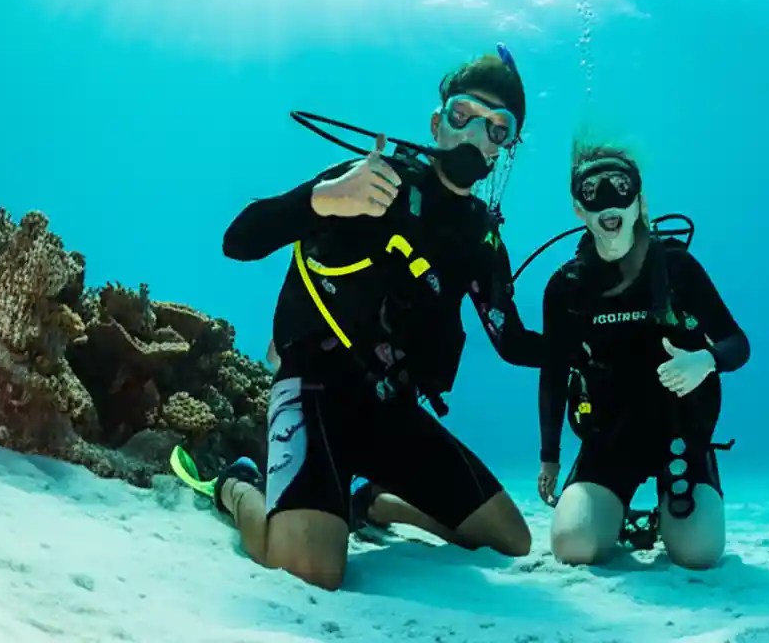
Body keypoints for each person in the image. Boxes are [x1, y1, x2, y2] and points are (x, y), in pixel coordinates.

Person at [212, 47, 544, 591]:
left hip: (391, 410)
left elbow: (511, 341)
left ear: (504, 150)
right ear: (437, 123)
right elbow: (239, 239)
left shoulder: (482, 242)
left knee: (512, 539)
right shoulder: (372, 182)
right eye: (463, 115)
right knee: (312, 570)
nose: (475, 135)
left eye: (497, 127)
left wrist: (587, 347)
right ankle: (236, 485)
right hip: (316, 386)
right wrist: (322, 199)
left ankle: (375, 504)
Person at [534, 141, 750, 570]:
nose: (608, 200)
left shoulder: (677, 269)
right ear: (579, 207)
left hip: (678, 431)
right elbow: (554, 373)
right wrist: (550, 456)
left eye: (621, 186)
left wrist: (705, 359)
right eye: (592, 190)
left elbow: (736, 342)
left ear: (639, 200)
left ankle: (674, 509)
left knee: (699, 553)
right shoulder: (566, 288)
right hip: (609, 436)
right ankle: (615, 514)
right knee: (573, 546)